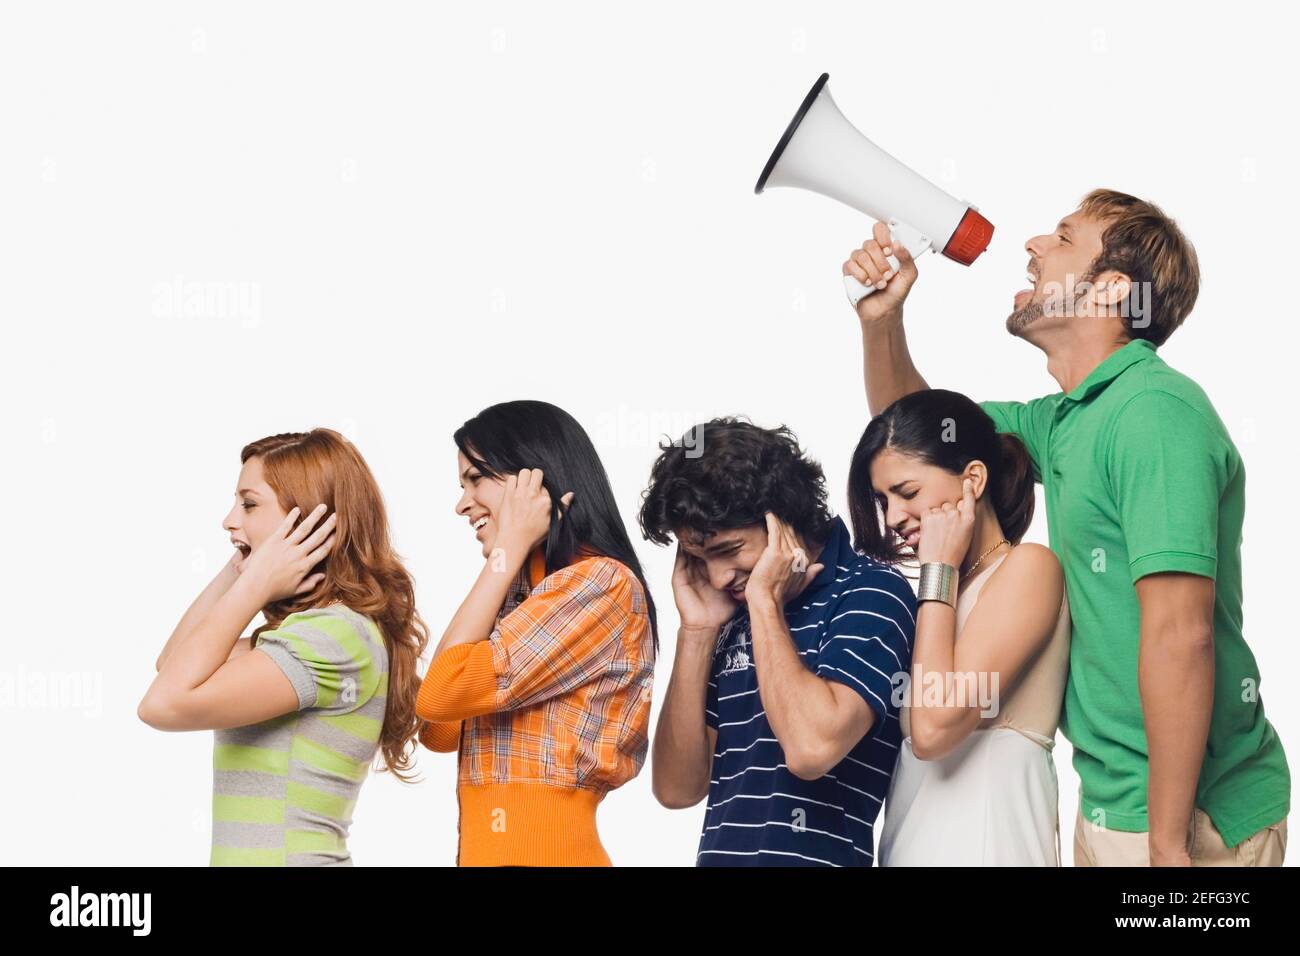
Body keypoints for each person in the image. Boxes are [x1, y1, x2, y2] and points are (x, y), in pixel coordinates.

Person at [847, 188, 1289, 866]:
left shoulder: (1153, 411)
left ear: (1112, 289)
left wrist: (1167, 846)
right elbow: (922, 441)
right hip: (1113, 807)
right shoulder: (1067, 421)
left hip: (1189, 817)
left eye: (1062, 237)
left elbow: (1182, 633)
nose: (1032, 246)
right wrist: (882, 321)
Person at [140, 429, 428, 866]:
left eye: (249, 504)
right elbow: (174, 665)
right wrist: (242, 567)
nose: (228, 519)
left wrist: (256, 580)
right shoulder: (307, 634)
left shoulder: (333, 638)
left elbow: (162, 704)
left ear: (305, 519)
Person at [641, 418, 916, 866]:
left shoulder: (871, 592)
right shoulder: (731, 612)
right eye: (698, 558)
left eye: (728, 551)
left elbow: (812, 749)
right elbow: (676, 789)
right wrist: (697, 632)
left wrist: (766, 605)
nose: (716, 577)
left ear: (783, 519)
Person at [416, 400, 656, 866]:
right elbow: (438, 730)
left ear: (535, 480)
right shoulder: (522, 594)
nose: (462, 503)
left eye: (476, 478)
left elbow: (438, 696)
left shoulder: (599, 584)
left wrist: (505, 549)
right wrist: (506, 563)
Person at [849, 389, 1070, 865]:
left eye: (907, 493)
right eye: (882, 500)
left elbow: (933, 729)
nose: (892, 517)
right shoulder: (937, 595)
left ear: (973, 479)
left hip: (991, 841)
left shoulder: (1029, 567)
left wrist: (939, 572)